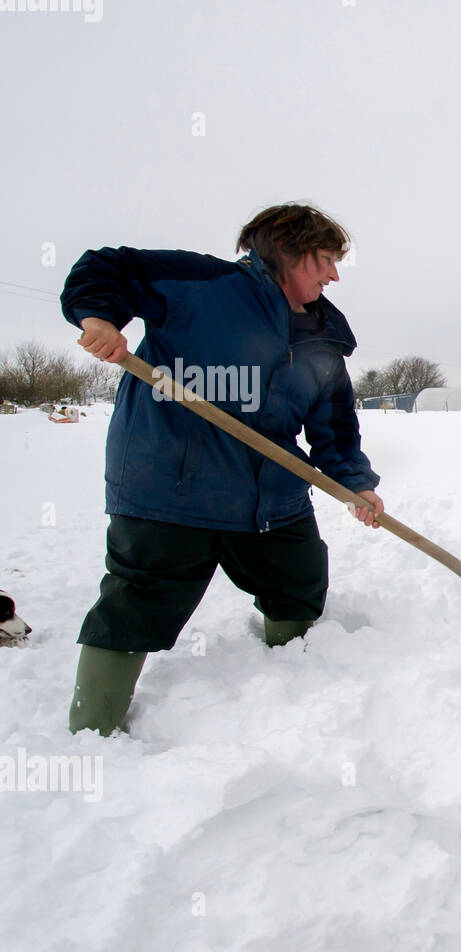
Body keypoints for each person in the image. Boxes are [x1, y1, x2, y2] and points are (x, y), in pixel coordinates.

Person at [61, 203, 384, 736]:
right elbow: (107, 267)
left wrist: (357, 484)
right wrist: (98, 317)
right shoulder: (204, 286)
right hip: (171, 487)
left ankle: (297, 704)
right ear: (286, 251)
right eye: (324, 259)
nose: (334, 274)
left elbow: (333, 423)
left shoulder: (323, 335)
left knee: (299, 580)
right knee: (139, 599)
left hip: (271, 496)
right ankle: (92, 733)